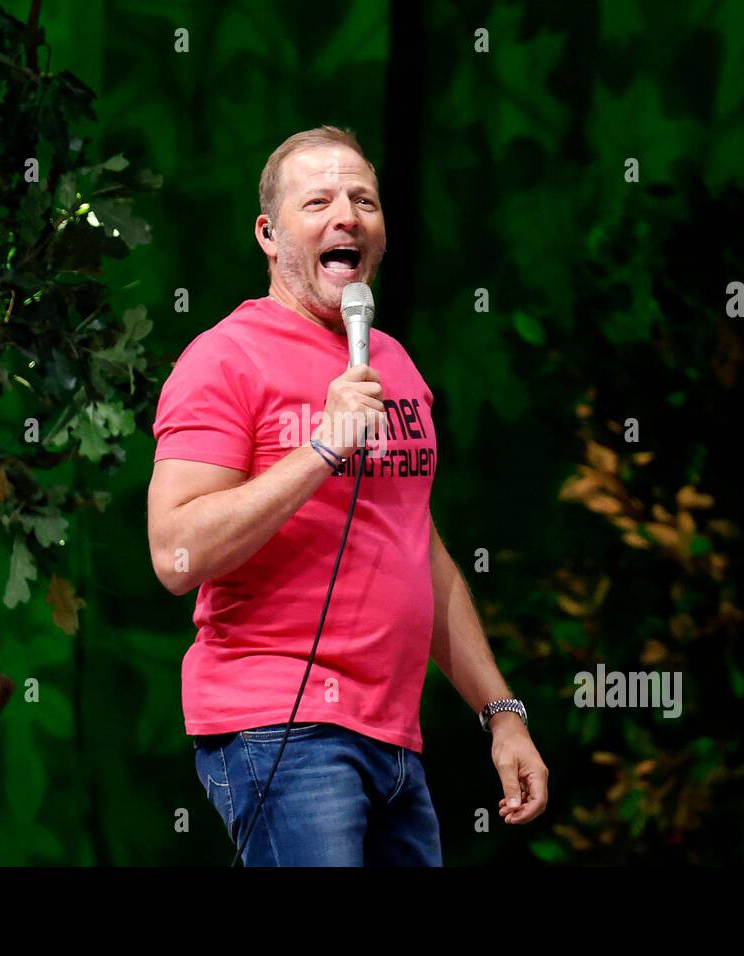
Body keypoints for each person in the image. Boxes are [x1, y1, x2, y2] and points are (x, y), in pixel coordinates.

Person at [146, 125, 548, 866]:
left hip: (394, 739)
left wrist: (501, 714)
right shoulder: (224, 358)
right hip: (280, 727)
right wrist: (322, 450)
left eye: (364, 199)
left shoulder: (393, 363)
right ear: (269, 234)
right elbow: (176, 554)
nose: (348, 216)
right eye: (320, 200)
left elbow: (416, 549)